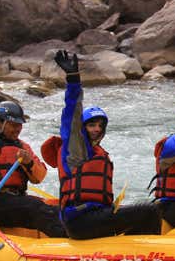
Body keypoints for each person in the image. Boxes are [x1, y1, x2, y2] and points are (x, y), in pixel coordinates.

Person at [48, 49, 161, 239]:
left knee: (149, 209)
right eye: (91, 125)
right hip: (80, 220)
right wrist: (73, 79)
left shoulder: (99, 152)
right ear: (83, 128)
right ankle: (145, 259)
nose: (97, 129)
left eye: (100, 125)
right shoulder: (76, 148)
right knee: (149, 212)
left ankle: (125, 253)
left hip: (95, 217)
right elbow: (72, 113)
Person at [0, 101, 65, 237]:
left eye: (19, 125)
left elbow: (39, 177)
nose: (17, 129)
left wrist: (29, 163)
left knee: (57, 209)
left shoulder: (23, 147)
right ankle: (71, 239)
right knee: (35, 208)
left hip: (17, 200)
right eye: (13, 125)